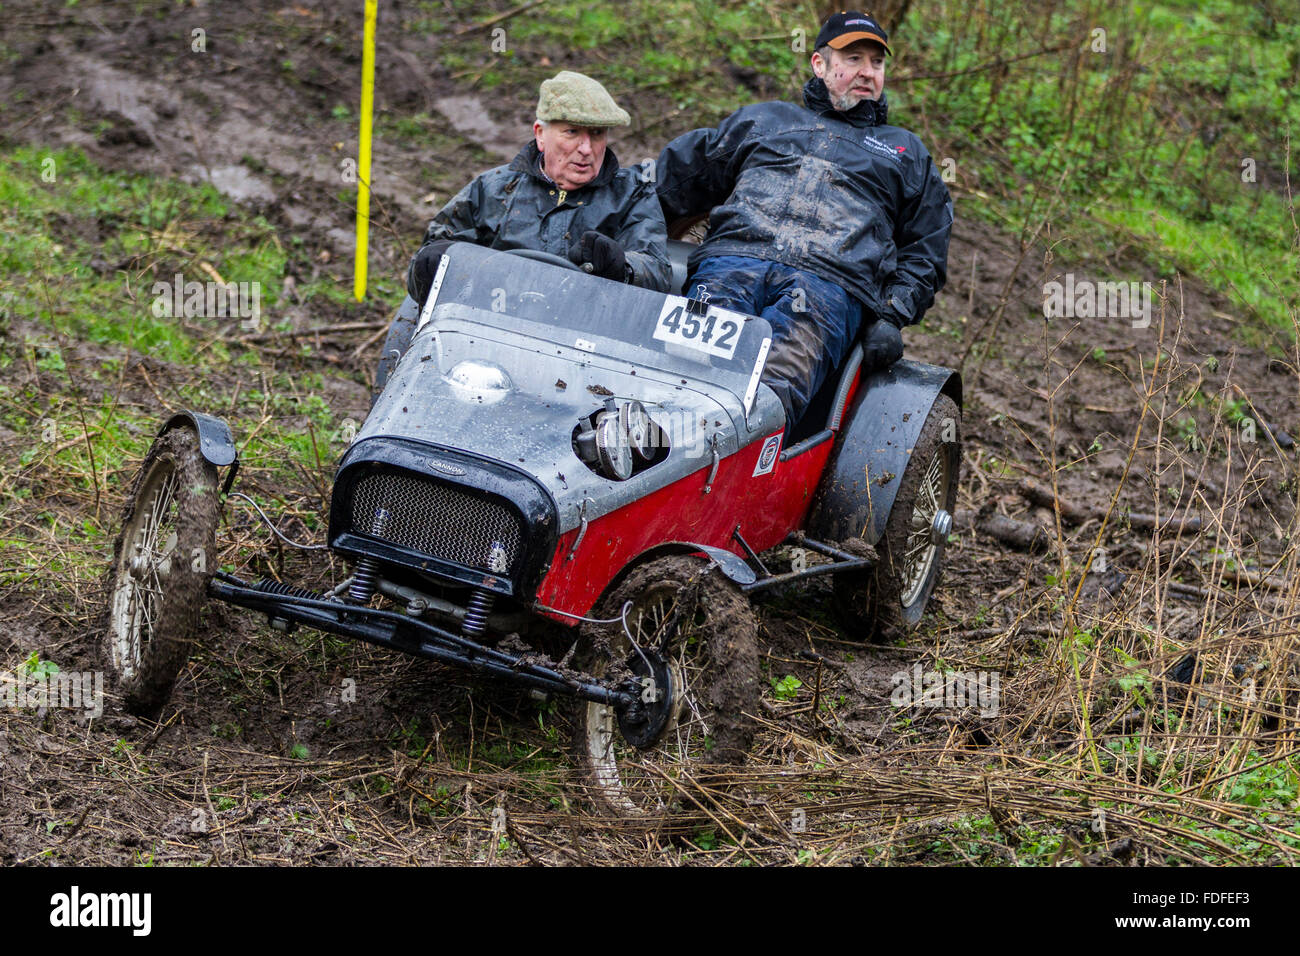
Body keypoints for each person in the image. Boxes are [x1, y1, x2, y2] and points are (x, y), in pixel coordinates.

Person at [655, 11, 953, 426]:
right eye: (853, 59)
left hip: (826, 289)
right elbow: (668, 180)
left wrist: (892, 312)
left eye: (877, 63)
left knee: (764, 402)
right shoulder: (765, 120)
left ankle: (739, 479)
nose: (868, 72)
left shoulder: (906, 153)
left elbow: (927, 250)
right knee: (679, 377)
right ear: (820, 64)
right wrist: (614, 227)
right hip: (729, 265)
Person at [377, 70, 672, 389]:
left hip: (590, 363)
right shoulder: (492, 190)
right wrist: (436, 265)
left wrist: (623, 268)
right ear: (540, 135)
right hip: (487, 351)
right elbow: (430, 268)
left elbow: (657, 273)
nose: (586, 148)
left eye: (597, 134)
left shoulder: (633, 195)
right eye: (572, 132)